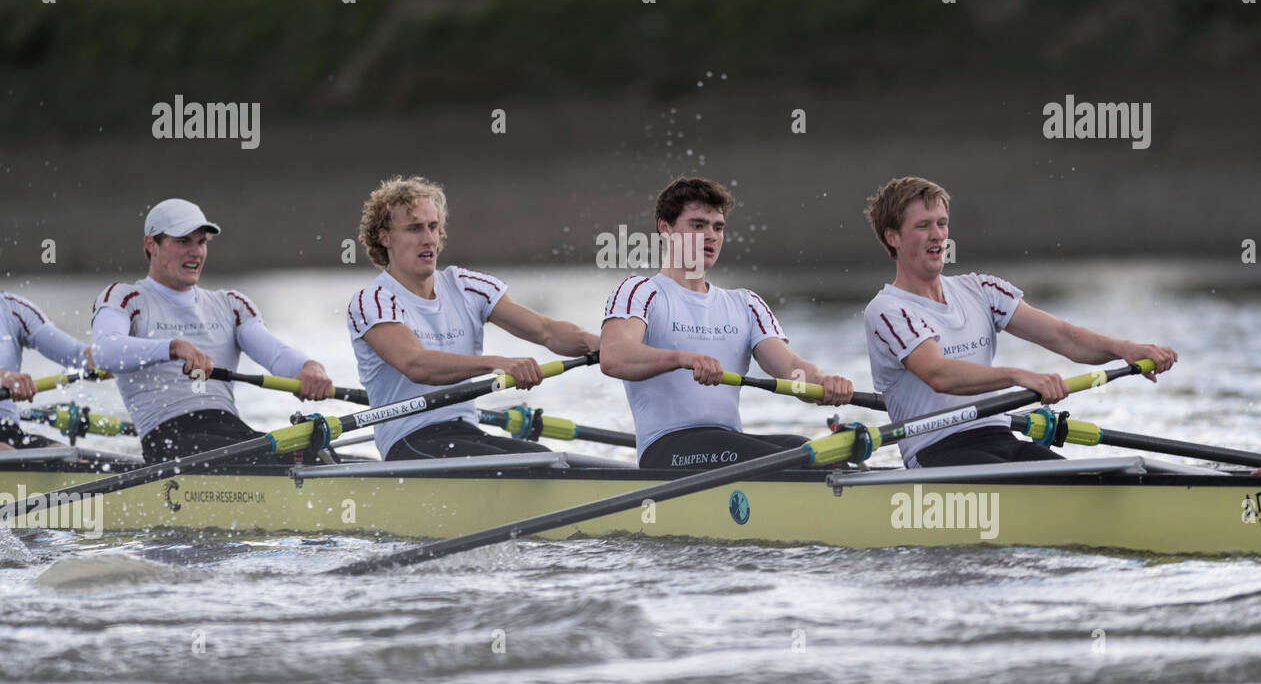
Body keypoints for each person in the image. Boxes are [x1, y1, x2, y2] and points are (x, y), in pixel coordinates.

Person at [863, 176, 1178, 469]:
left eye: (942, 224)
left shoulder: (982, 290)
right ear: (893, 238)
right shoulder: (887, 310)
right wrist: (1018, 375)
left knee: (1083, 478)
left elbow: (1063, 337)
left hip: (998, 437)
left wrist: (1124, 349)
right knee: (1046, 485)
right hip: (935, 450)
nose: (938, 235)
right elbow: (938, 374)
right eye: (923, 226)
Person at [600, 176, 853, 470]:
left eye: (718, 227)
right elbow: (614, 356)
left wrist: (824, 384)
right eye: (697, 225)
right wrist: (683, 358)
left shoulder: (745, 304)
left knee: (822, 453)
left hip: (728, 446)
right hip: (667, 450)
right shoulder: (640, 291)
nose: (711, 235)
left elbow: (790, 372)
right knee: (801, 462)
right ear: (665, 228)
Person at [346, 176, 599, 461]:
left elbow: (546, 331)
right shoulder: (374, 300)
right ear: (385, 237)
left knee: (544, 457)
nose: (428, 238)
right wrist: (495, 363)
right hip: (409, 442)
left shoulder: (465, 286)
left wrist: (598, 342)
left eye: (433, 227)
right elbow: (416, 365)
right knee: (530, 466)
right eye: (414, 229)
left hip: (465, 431)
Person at [90, 198, 333, 464]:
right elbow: (105, 351)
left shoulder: (230, 304)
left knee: (319, 454)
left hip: (230, 431)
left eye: (201, 242)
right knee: (285, 459)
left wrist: (309, 368)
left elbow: (275, 354)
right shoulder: (126, 298)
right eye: (183, 241)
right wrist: (172, 347)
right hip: (168, 440)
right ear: (151, 244)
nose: (196, 252)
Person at [0, 292, 96, 450]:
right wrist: (3, 377)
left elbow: (81, 357)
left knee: (63, 453)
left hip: (6, 430)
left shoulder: (13, 309)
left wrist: (121, 361)